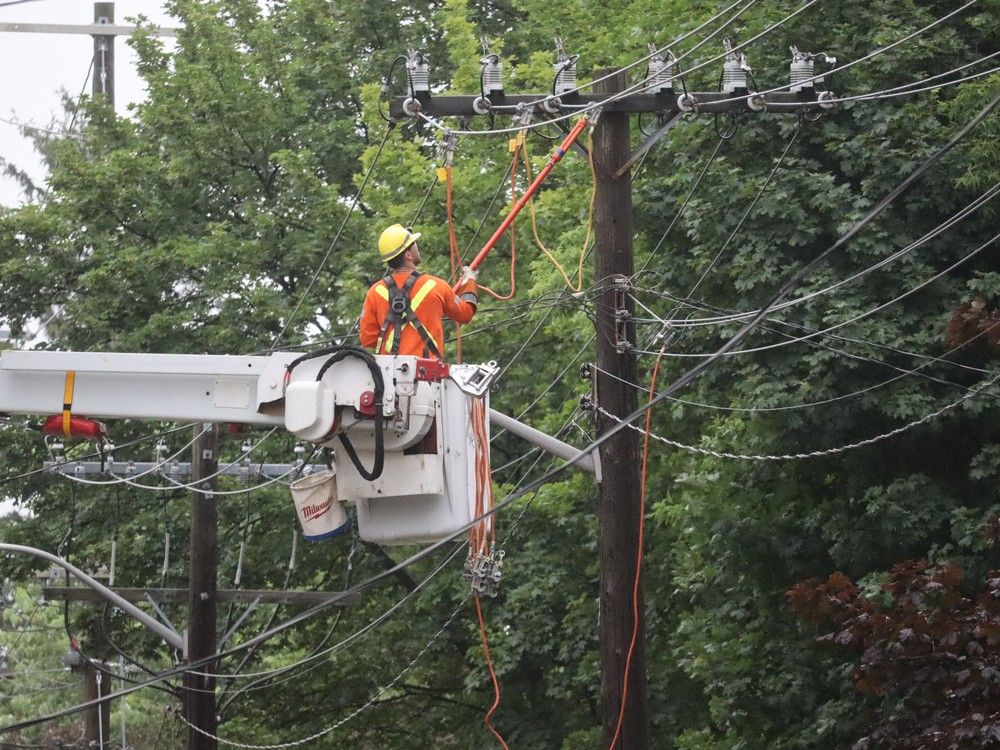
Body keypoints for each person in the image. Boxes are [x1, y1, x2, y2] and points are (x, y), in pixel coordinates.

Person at [359, 224, 478, 360]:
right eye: (413, 243)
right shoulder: (436, 286)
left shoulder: (374, 292)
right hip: (428, 375)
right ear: (408, 254)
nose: (417, 246)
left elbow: (368, 339)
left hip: (389, 376)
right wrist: (470, 282)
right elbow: (465, 314)